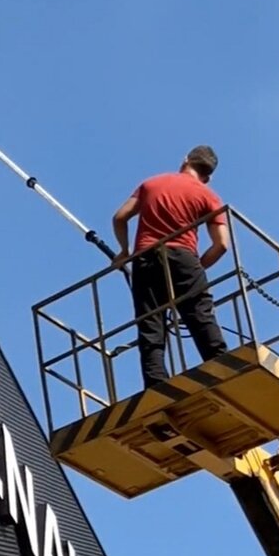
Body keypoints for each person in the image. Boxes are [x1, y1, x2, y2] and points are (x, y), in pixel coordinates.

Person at [111, 145, 230, 390]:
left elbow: (120, 217)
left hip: (145, 258)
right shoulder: (208, 195)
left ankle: (156, 383)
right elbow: (222, 245)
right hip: (184, 257)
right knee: (200, 315)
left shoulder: (151, 184)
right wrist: (197, 269)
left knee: (150, 323)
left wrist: (124, 252)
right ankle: (223, 367)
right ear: (207, 177)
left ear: (186, 160)